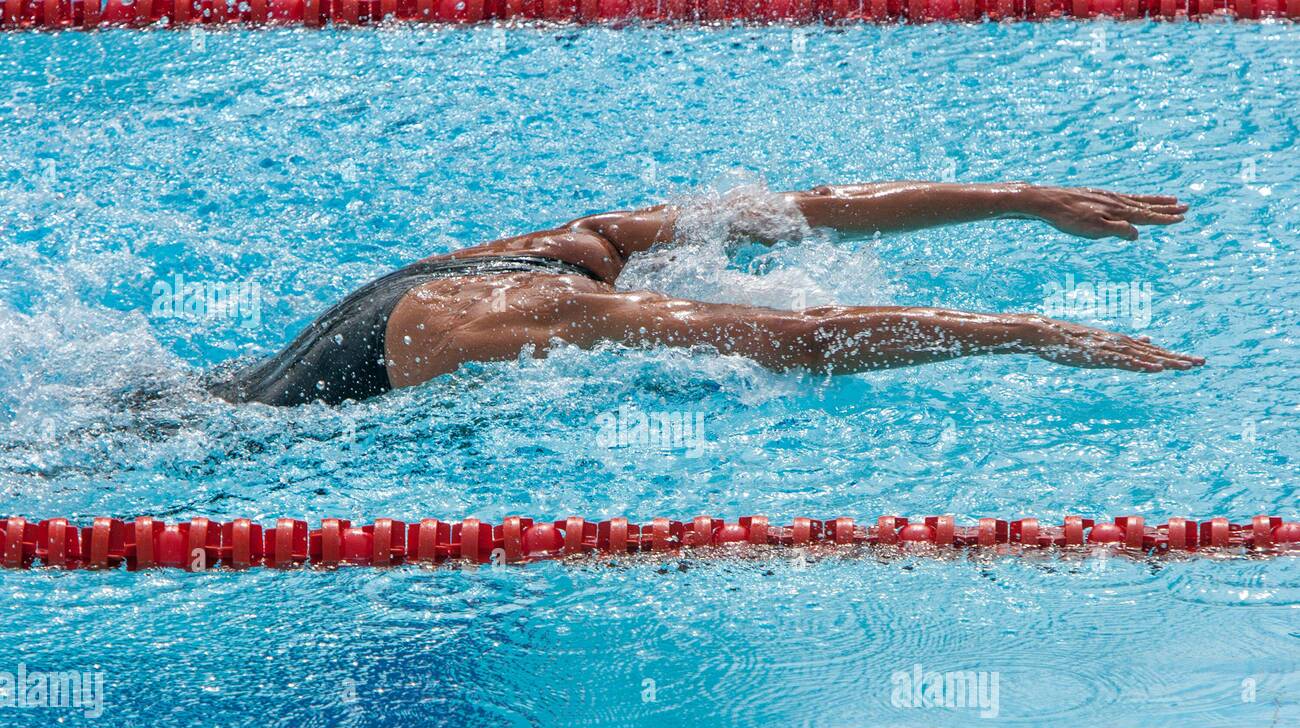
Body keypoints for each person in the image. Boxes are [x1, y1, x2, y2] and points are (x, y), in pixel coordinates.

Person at [210, 181, 1203, 407]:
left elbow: (811, 212)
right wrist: (1023, 332)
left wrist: (1022, 201)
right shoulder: (547, 308)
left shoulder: (582, 246)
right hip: (243, 457)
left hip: (223, 387)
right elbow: (808, 339)